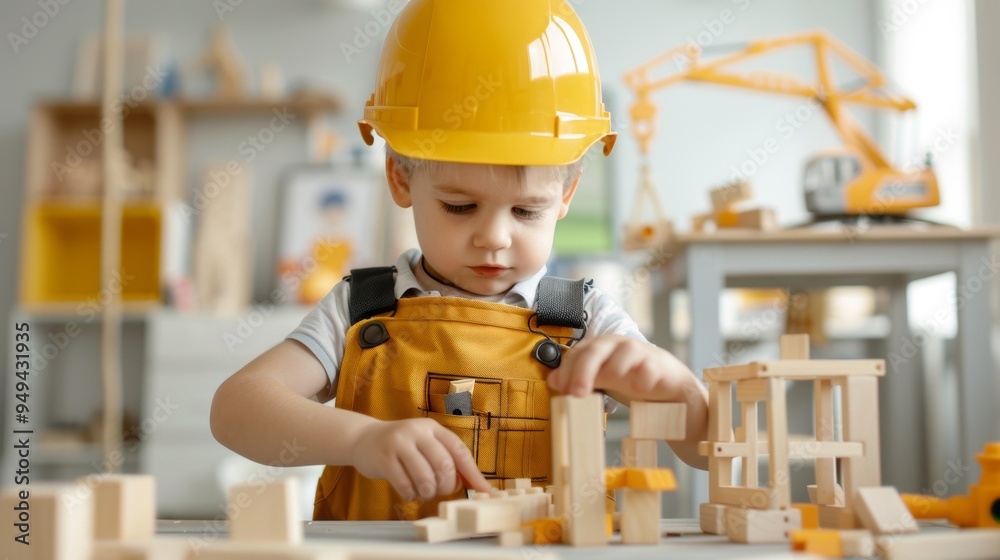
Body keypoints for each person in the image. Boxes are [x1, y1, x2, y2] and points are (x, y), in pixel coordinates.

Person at [210, 0, 708, 521]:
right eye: (460, 206)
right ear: (401, 179)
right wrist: (361, 438)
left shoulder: (587, 322)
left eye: (526, 210)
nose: (493, 237)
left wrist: (678, 390)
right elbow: (236, 409)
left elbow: (703, 453)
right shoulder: (365, 310)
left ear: (566, 194)